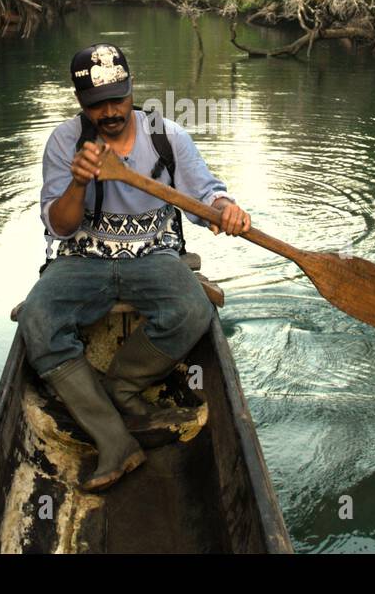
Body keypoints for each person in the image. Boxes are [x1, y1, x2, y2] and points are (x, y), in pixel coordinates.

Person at [16, 42, 251, 492]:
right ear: (80, 102)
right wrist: (79, 181)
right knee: (38, 321)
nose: (109, 112)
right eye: (96, 104)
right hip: (82, 257)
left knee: (193, 310)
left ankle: (119, 385)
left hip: (153, 253)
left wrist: (227, 207)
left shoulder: (167, 136)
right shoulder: (65, 141)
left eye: (117, 98)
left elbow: (206, 197)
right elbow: (61, 227)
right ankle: (114, 439)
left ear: (131, 89)